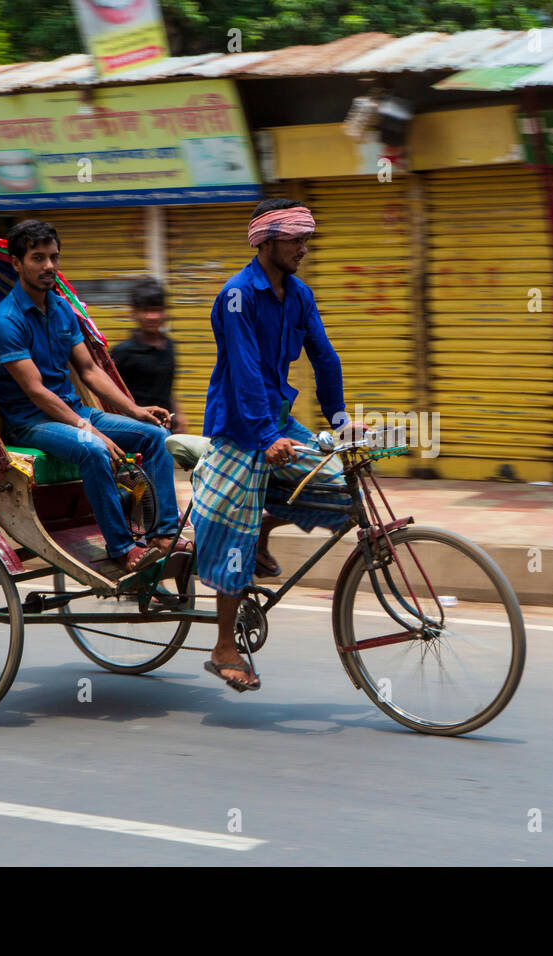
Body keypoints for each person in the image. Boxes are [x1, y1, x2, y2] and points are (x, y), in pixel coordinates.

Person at [191, 198, 356, 692]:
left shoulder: (300, 293)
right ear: (265, 242)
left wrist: (342, 420)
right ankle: (223, 647)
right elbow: (243, 372)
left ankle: (264, 527)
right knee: (229, 529)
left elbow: (324, 357)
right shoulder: (237, 296)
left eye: (306, 239)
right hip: (241, 426)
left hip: (277, 420)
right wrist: (265, 437)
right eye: (295, 240)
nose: (304, 248)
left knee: (340, 489)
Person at [0, 220, 188, 575]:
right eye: (38, 258)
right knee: (92, 450)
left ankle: (162, 534)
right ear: (16, 263)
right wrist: (86, 429)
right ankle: (122, 547)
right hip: (32, 423)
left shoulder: (61, 309)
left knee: (155, 436)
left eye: (53, 257)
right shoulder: (5, 320)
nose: (49, 266)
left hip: (75, 411)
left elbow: (91, 371)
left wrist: (135, 409)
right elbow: (36, 391)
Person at [110, 278, 187, 435]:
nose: (152, 316)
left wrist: (180, 416)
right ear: (134, 312)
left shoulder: (169, 346)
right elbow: (110, 397)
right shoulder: (123, 352)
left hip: (166, 428)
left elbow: (166, 387)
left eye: (157, 310)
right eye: (146, 310)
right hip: (137, 432)